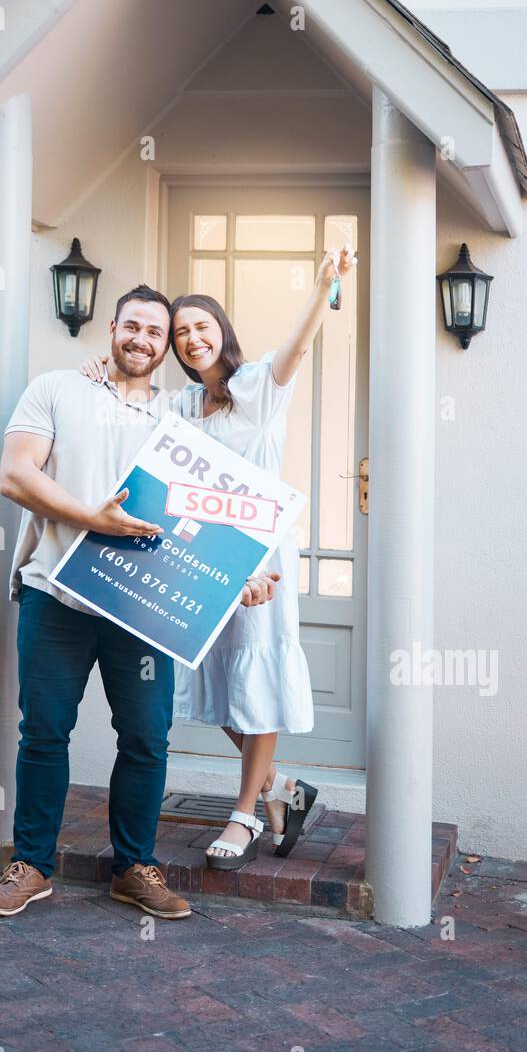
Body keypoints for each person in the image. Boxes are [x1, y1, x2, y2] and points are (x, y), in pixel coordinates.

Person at [0, 283, 278, 920]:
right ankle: (31, 863)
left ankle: (134, 867)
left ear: (168, 348)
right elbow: (16, 475)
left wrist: (239, 576)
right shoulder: (58, 388)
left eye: (157, 333)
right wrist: (94, 519)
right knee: (43, 735)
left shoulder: (182, 418)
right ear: (111, 328)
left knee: (146, 740)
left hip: (139, 609)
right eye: (133, 327)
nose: (143, 340)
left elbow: (211, 508)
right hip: (54, 595)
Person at [79, 246, 356, 870]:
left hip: (257, 559)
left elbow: (299, 347)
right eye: (181, 334)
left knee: (253, 677)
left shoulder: (255, 387)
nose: (191, 338)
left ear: (221, 331)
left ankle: (244, 816)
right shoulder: (179, 405)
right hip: (198, 559)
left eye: (201, 326)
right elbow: (128, 415)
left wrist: (322, 290)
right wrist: (102, 375)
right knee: (217, 686)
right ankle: (282, 787)